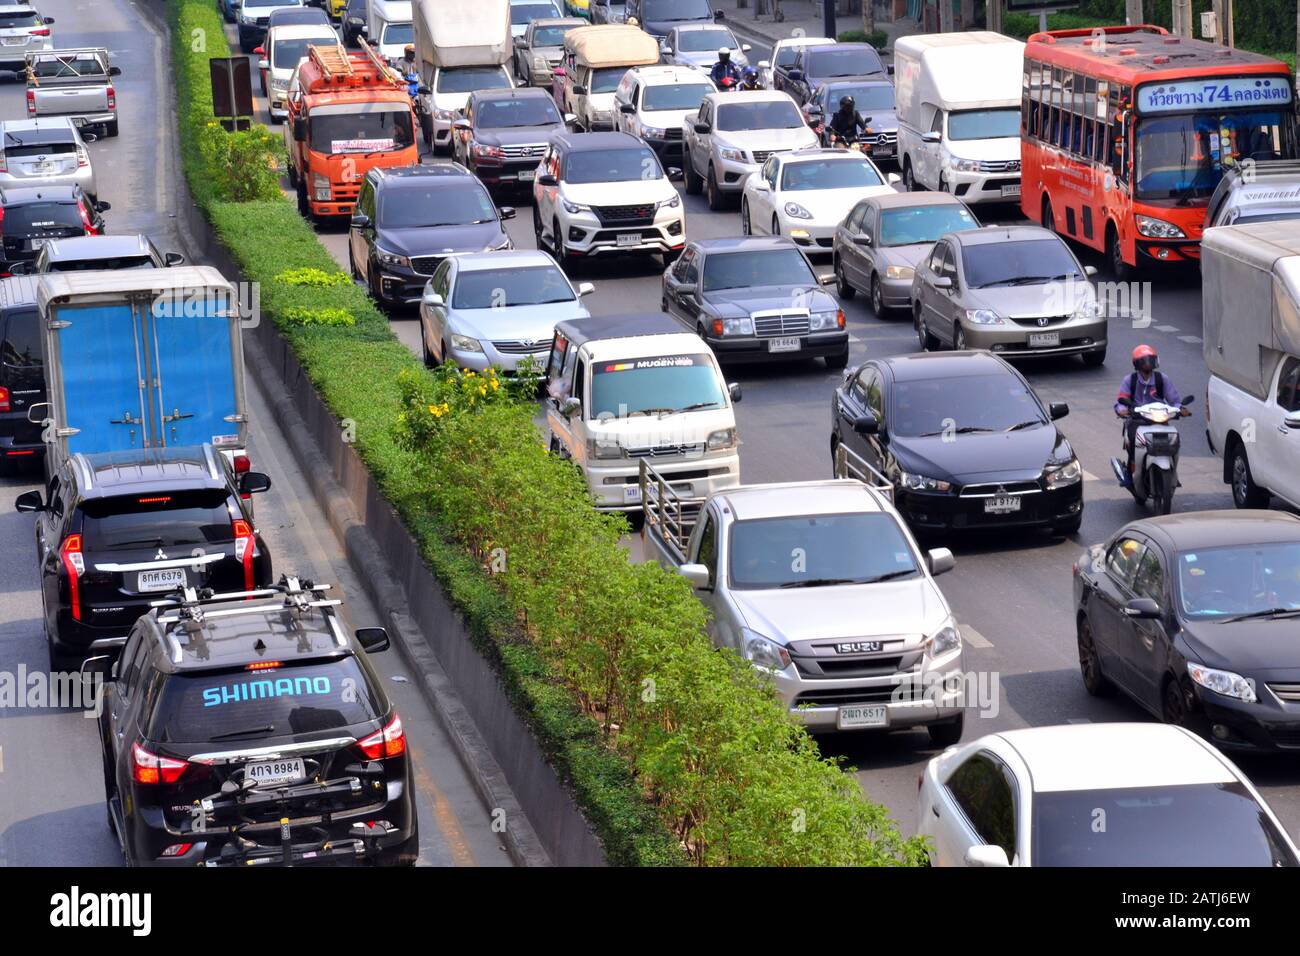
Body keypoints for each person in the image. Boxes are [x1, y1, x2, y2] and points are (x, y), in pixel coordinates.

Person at [1113, 344, 1185, 488]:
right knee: (1133, 440)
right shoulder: (1130, 380)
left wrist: (1180, 409)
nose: (1148, 364)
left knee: (1174, 440)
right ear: (1137, 364)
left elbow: (1174, 401)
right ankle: (1130, 471)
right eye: (1144, 361)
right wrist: (1122, 410)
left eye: (1150, 360)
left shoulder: (1161, 379)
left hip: (1160, 420)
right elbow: (1120, 401)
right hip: (1137, 420)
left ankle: (1172, 471)